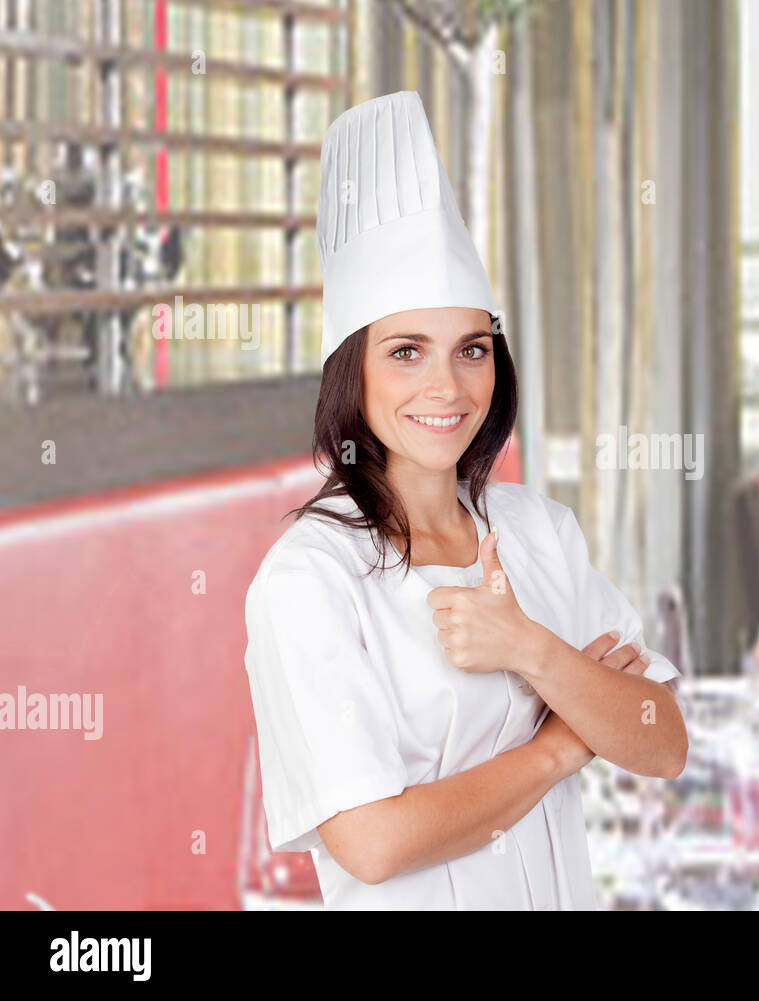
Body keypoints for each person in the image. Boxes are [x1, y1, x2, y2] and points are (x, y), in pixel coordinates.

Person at [242, 91, 687, 910]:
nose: (445, 386)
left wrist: (533, 649)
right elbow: (373, 842)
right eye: (406, 352)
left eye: (471, 350)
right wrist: (560, 746)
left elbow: (661, 740)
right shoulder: (308, 580)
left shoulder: (541, 533)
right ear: (356, 371)